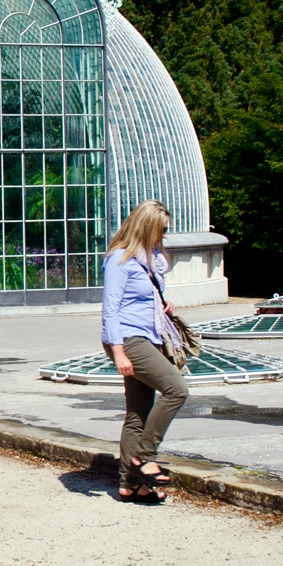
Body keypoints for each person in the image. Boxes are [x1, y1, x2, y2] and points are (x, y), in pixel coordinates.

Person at [103, 199, 187, 505]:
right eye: (161, 229)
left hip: (149, 336)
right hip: (128, 339)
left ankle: (129, 485)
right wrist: (119, 352)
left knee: (137, 414)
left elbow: (141, 299)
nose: (164, 235)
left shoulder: (150, 259)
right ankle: (144, 457)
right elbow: (110, 310)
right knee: (176, 390)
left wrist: (163, 304)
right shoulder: (120, 260)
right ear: (146, 226)